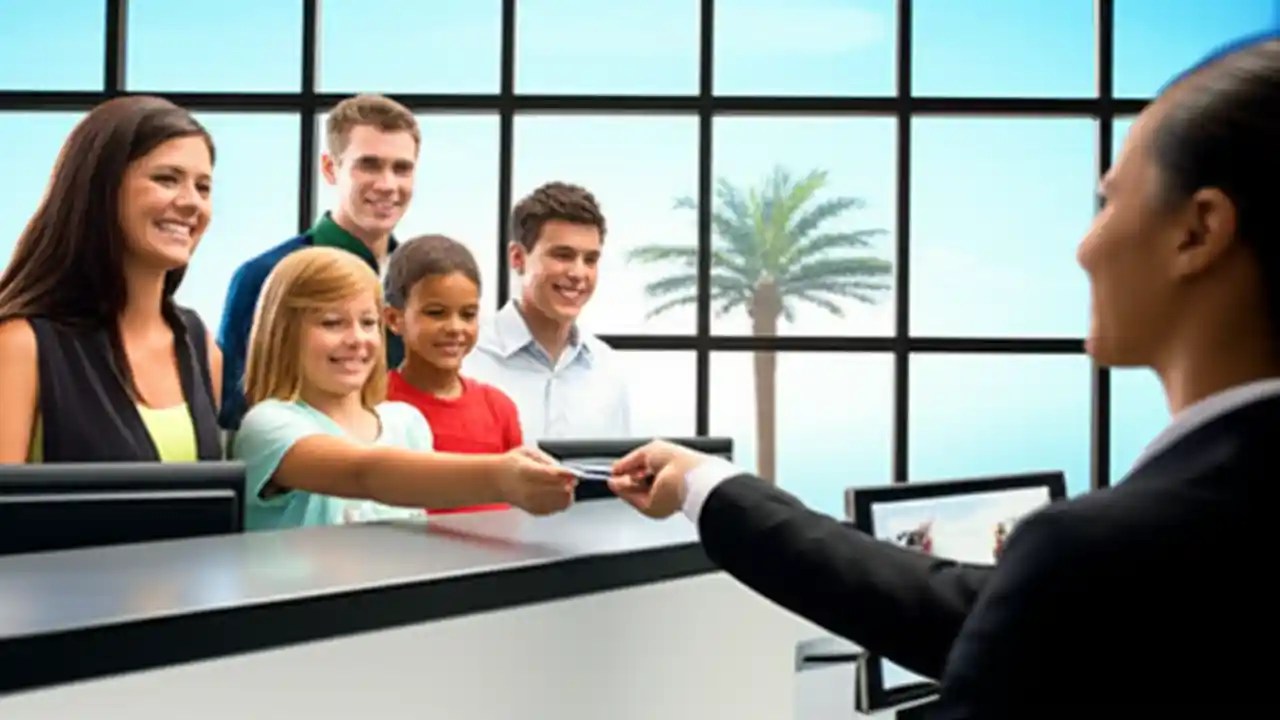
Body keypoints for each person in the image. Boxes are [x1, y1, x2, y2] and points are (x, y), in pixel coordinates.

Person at [607, 34, 1275, 715]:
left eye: (1108, 202)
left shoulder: (1103, 558)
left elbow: (1048, 619)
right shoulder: (1144, 564)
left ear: (1198, 231)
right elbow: (969, 613)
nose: (1084, 247)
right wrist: (706, 486)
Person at [231, 246, 576, 531]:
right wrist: (501, 476)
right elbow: (364, 473)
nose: (357, 340)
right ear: (284, 334)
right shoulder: (268, 426)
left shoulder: (406, 423)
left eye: (368, 323)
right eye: (332, 323)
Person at [0, 95, 223, 463]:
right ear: (99, 187)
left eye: (203, 187)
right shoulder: (21, 346)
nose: (191, 203)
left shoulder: (202, 349)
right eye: (166, 179)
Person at [217, 93, 419, 431]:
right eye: (369, 165)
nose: (387, 184)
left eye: (402, 168)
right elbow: (235, 414)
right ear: (330, 168)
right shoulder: (265, 276)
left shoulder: (420, 283)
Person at [463, 181, 631, 440]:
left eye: (590, 260)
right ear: (518, 258)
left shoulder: (607, 369)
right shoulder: (466, 358)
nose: (578, 273)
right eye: (563, 255)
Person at [383, 234, 525, 514]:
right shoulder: (375, 403)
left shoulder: (498, 408)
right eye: (436, 313)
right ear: (393, 319)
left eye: (468, 314)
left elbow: (517, 504)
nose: (455, 327)